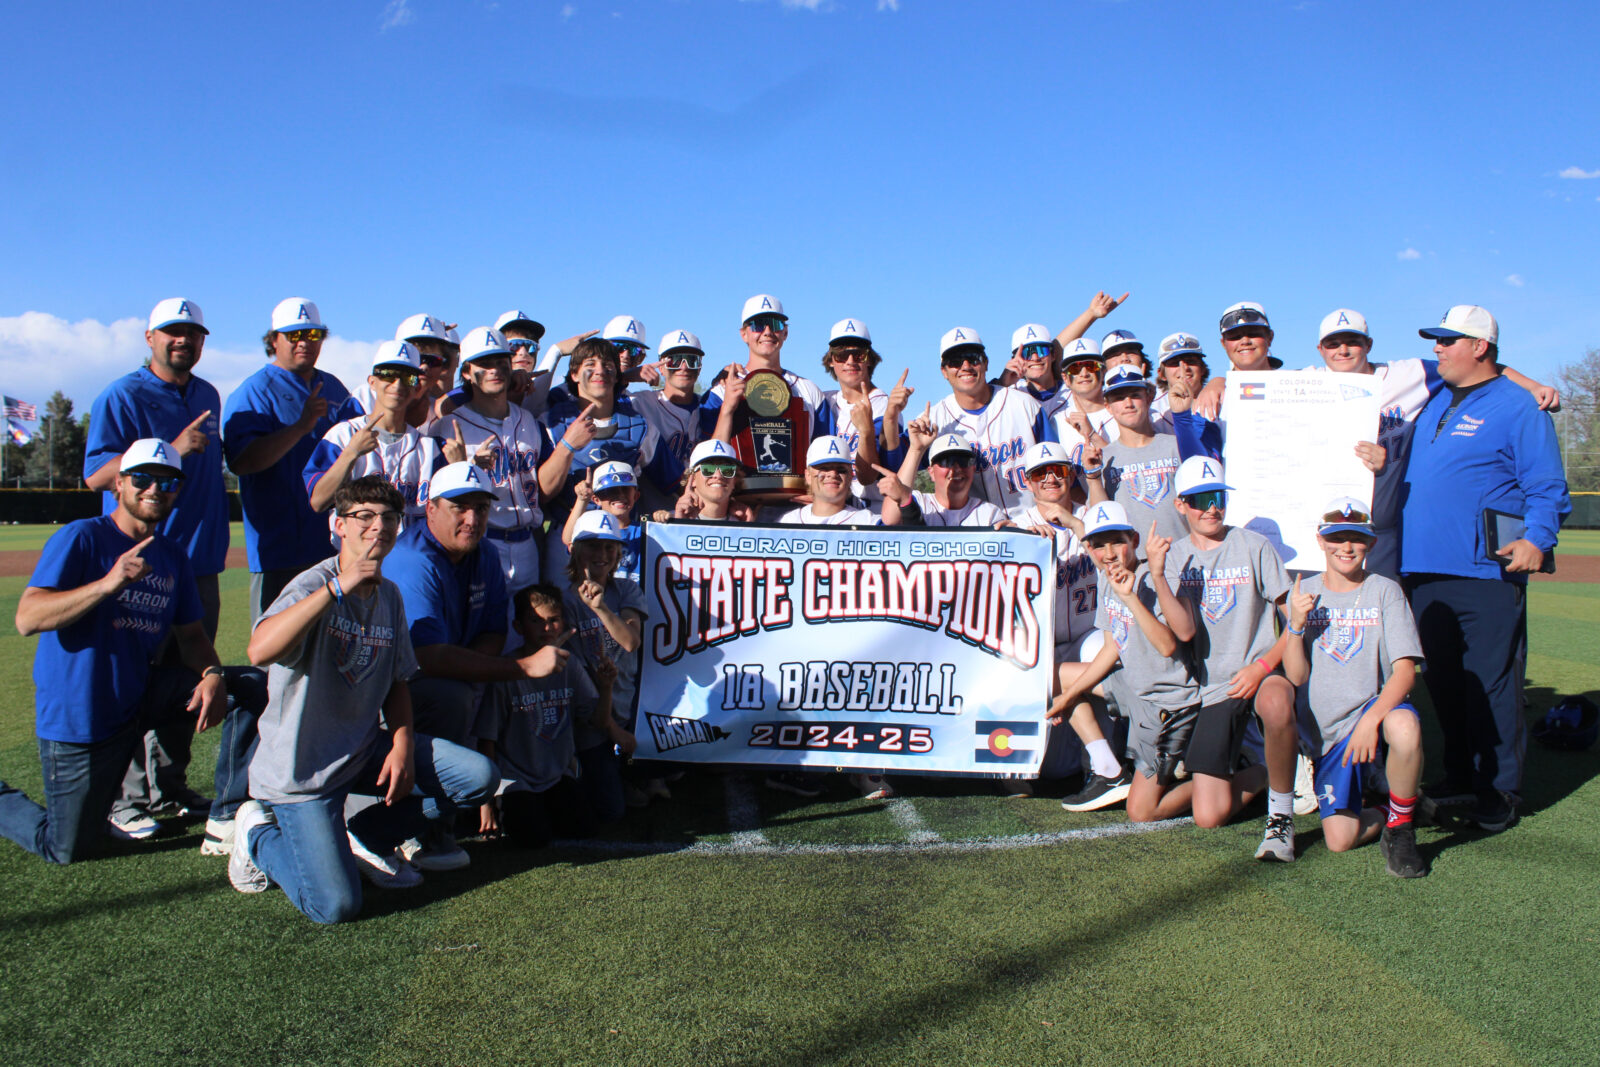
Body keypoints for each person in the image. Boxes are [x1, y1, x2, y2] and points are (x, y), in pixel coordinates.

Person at [228, 476, 505, 920]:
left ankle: (367, 838)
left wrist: (401, 746)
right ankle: (258, 834)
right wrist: (338, 587)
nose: (379, 527)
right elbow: (259, 649)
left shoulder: (389, 595)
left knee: (475, 776)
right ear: (339, 526)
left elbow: (398, 681)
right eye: (365, 517)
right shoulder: (311, 584)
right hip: (302, 773)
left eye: (389, 518)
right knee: (334, 905)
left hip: (361, 752)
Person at [1, 440, 247, 864]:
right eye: (142, 478)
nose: (155, 488)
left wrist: (211, 675)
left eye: (167, 480)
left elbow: (191, 636)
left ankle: (230, 812)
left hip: (139, 697)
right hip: (81, 715)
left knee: (251, 686)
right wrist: (107, 583)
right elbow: (27, 618)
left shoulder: (171, 556)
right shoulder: (82, 537)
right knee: (68, 847)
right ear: (118, 484)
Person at [1400, 305, 1571, 832]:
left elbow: (1547, 486)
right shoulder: (1432, 402)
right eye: (1437, 340)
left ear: (1480, 346)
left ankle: (1498, 793)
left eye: (1448, 340)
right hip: (1422, 569)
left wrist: (1537, 539)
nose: (1438, 348)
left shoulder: (1519, 407)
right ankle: (1459, 774)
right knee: (1446, 683)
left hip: (1485, 570)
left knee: (1491, 685)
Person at [83, 298, 229, 836]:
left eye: (192, 334)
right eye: (172, 332)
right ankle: (124, 799)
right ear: (149, 337)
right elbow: (97, 475)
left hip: (200, 562)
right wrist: (174, 448)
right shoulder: (122, 394)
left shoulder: (208, 393)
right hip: (141, 563)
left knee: (186, 682)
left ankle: (169, 787)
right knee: (131, 684)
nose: (183, 341)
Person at [383, 462, 571, 869]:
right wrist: (520, 668)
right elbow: (428, 657)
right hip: (389, 693)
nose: (473, 519)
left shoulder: (484, 552)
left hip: (448, 677)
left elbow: (492, 632)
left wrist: (472, 671)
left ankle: (458, 806)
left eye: (482, 509)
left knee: (461, 693)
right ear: (430, 509)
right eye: (460, 508)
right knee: (451, 697)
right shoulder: (414, 559)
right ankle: (426, 832)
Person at [1312, 308, 1560, 580]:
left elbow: (1485, 367)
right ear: (1320, 348)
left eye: (1353, 342)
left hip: (1387, 530)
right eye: (1333, 343)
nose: (1343, 350)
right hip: (1325, 525)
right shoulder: (1306, 381)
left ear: (1368, 344)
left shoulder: (1410, 373)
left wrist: (1531, 386)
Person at [1281, 498, 1428, 877]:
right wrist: (1296, 625)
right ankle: (1401, 804)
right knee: (1340, 839)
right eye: (1337, 538)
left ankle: (1401, 828)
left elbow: (1405, 671)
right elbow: (1296, 676)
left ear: (1372, 543)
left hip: (1372, 714)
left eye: (1356, 539)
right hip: (1330, 735)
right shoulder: (1303, 592)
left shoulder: (1385, 590)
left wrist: (1371, 720)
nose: (1346, 548)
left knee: (1406, 728)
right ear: (1320, 540)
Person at [1163, 457, 1299, 860]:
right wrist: (1155, 574)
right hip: (1211, 688)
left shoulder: (1255, 545)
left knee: (1276, 701)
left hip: (1259, 671)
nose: (1212, 508)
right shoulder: (1174, 557)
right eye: (1200, 499)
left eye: (1218, 496)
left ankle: (1282, 817)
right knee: (1209, 815)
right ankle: (1264, 770)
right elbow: (1181, 633)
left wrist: (1261, 667)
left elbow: (1295, 623)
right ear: (1180, 505)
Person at [1048, 501, 1200, 824]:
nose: (1109, 552)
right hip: (1134, 685)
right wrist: (1068, 695)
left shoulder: (1153, 576)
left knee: (1142, 811)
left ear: (1133, 539)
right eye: (1099, 545)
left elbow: (1168, 645)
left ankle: (1215, 779)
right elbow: (1111, 648)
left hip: (1167, 701)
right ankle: (1108, 770)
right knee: (1054, 675)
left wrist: (1131, 598)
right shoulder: (1106, 575)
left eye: (1116, 541)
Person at [223, 297, 358, 619]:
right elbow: (241, 463)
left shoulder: (333, 387)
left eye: (312, 335)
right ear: (273, 340)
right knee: (278, 650)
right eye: (294, 335)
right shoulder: (254, 391)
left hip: (333, 546)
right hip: (279, 550)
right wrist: (300, 426)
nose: (304, 343)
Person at [1009, 441, 1116, 805]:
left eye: (1059, 470)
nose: (1051, 478)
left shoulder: (1092, 517)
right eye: (1041, 473)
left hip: (1091, 632)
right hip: (1045, 644)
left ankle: (1114, 759)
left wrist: (1074, 524)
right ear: (1028, 481)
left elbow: (1114, 561)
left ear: (1071, 474)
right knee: (1055, 771)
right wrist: (1013, 540)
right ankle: (1105, 763)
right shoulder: (1017, 523)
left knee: (1113, 659)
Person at [476, 584, 612, 849]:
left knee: (584, 828)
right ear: (518, 627)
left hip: (556, 775)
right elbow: (486, 740)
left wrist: (605, 688)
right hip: (516, 780)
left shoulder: (569, 665)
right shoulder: (508, 671)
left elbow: (597, 721)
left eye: (553, 620)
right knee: (532, 838)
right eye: (536, 621)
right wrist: (486, 805)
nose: (546, 629)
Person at [538, 337, 680, 584]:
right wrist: (568, 445)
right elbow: (542, 493)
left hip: (619, 543)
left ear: (617, 376)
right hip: (567, 537)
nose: (600, 371)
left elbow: (675, 481)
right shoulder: (551, 423)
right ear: (573, 374)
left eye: (608, 365)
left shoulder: (639, 427)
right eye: (590, 364)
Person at [433, 326, 550, 596]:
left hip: (527, 543)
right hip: (482, 542)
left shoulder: (529, 422)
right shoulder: (448, 427)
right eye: (484, 364)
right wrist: (468, 469)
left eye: (501, 362)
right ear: (466, 372)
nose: (495, 369)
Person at [305, 341, 448, 528]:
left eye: (407, 378)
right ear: (372, 381)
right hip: (356, 554)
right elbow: (318, 501)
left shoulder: (428, 448)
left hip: (409, 554)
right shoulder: (343, 436)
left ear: (416, 387)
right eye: (389, 375)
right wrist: (351, 453)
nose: (397, 385)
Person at [564, 510, 648, 818]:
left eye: (609, 547)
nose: (601, 554)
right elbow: (575, 676)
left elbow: (630, 641)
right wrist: (612, 730)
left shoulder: (626, 590)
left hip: (625, 708)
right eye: (592, 546)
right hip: (590, 718)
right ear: (576, 551)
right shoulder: (564, 601)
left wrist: (600, 608)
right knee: (608, 811)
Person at [925, 327, 1054, 513]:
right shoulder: (935, 419)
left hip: (1032, 527)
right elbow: (893, 463)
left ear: (985, 363)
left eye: (973, 358)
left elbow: (1056, 468)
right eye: (955, 361)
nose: (966, 366)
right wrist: (891, 419)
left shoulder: (1024, 405)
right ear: (944, 371)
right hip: (975, 534)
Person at [703, 294, 827, 452]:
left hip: (797, 478)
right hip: (738, 477)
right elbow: (707, 459)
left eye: (775, 324)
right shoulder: (722, 389)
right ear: (744, 334)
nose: (767, 332)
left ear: (785, 332)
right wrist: (727, 408)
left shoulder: (809, 391)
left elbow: (825, 457)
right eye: (758, 325)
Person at [1086, 366, 1186, 555]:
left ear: (1148, 397)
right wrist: (1093, 477)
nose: (1128, 403)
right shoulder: (1104, 458)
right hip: (1136, 566)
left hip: (1185, 559)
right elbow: (1102, 517)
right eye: (1119, 398)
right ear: (1107, 406)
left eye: (1135, 395)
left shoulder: (1176, 446)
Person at [816, 318, 911, 498]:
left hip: (872, 506)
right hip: (832, 504)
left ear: (869, 360)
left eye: (859, 354)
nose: (850, 361)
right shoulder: (824, 401)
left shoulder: (883, 405)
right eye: (841, 355)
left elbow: (868, 476)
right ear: (831, 361)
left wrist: (866, 430)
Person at [885, 424, 1015, 529]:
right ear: (931, 472)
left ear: (973, 468)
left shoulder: (989, 514)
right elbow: (890, 518)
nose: (956, 468)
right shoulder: (919, 502)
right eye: (946, 462)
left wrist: (1011, 536)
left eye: (963, 461)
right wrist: (916, 450)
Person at [562, 460, 652, 585]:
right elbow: (569, 539)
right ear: (596, 499)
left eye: (625, 489)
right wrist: (582, 500)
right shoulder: (593, 528)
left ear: (636, 496)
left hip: (635, 597)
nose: (620, 495)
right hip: (596, 594)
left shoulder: (645, 530)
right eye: (611, 491)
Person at [635, 329, 708, 470]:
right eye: (675, 360)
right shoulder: (639, 403)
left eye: (692, 360)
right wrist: (624, 378)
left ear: (700, 368)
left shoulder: (710, 407)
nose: (684, 367)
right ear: (661, 367)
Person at [779, 436, 879, 527]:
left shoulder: (866, 521)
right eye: (824, 468)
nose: (833, 474)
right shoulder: (790, 521)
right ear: (808, 475)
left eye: (841, 470)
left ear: (850, 476)